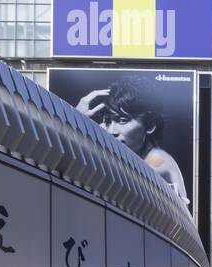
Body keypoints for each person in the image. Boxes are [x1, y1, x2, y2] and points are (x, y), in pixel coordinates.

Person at [76, 77, 190, 211]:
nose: (111, 131)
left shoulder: (157, 163)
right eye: (107, 121)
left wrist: (77, 126)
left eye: (122, 121)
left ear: (150, 125)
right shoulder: (139, 156)